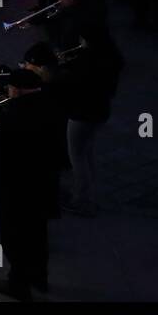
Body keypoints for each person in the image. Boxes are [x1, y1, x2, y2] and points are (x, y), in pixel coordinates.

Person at [0, 65, 62, 300]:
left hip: (16, 189)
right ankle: (39, 277)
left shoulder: (13, 115)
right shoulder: (49, 104)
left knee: (15, 238)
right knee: (38, 235)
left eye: (10, 88)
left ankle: (18, 283)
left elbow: (0, 150)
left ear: (17, 90)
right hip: (44, 184)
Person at [62, 25, 123, 217]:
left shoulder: (88, 61)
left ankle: (82, 200)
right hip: (100, 110)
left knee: (77, 157)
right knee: (87, 153)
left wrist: (66, 66)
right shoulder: (110, 57)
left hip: (82, 112)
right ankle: (89, 195)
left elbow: (75, 84)